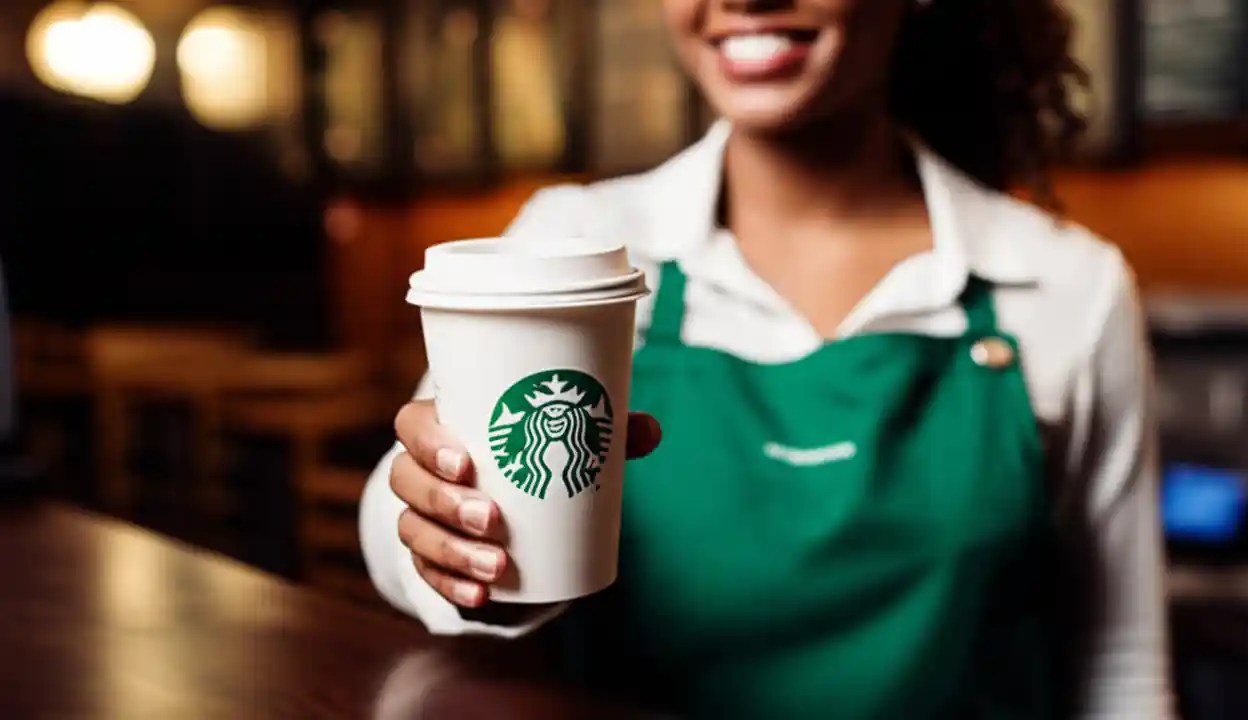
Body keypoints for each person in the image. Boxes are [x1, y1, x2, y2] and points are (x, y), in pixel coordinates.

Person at [360, 0, 1174, 717]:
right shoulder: (575, 249)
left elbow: (1122, 668)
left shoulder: (1066, 287)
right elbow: (401, 513)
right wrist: (454, 546)